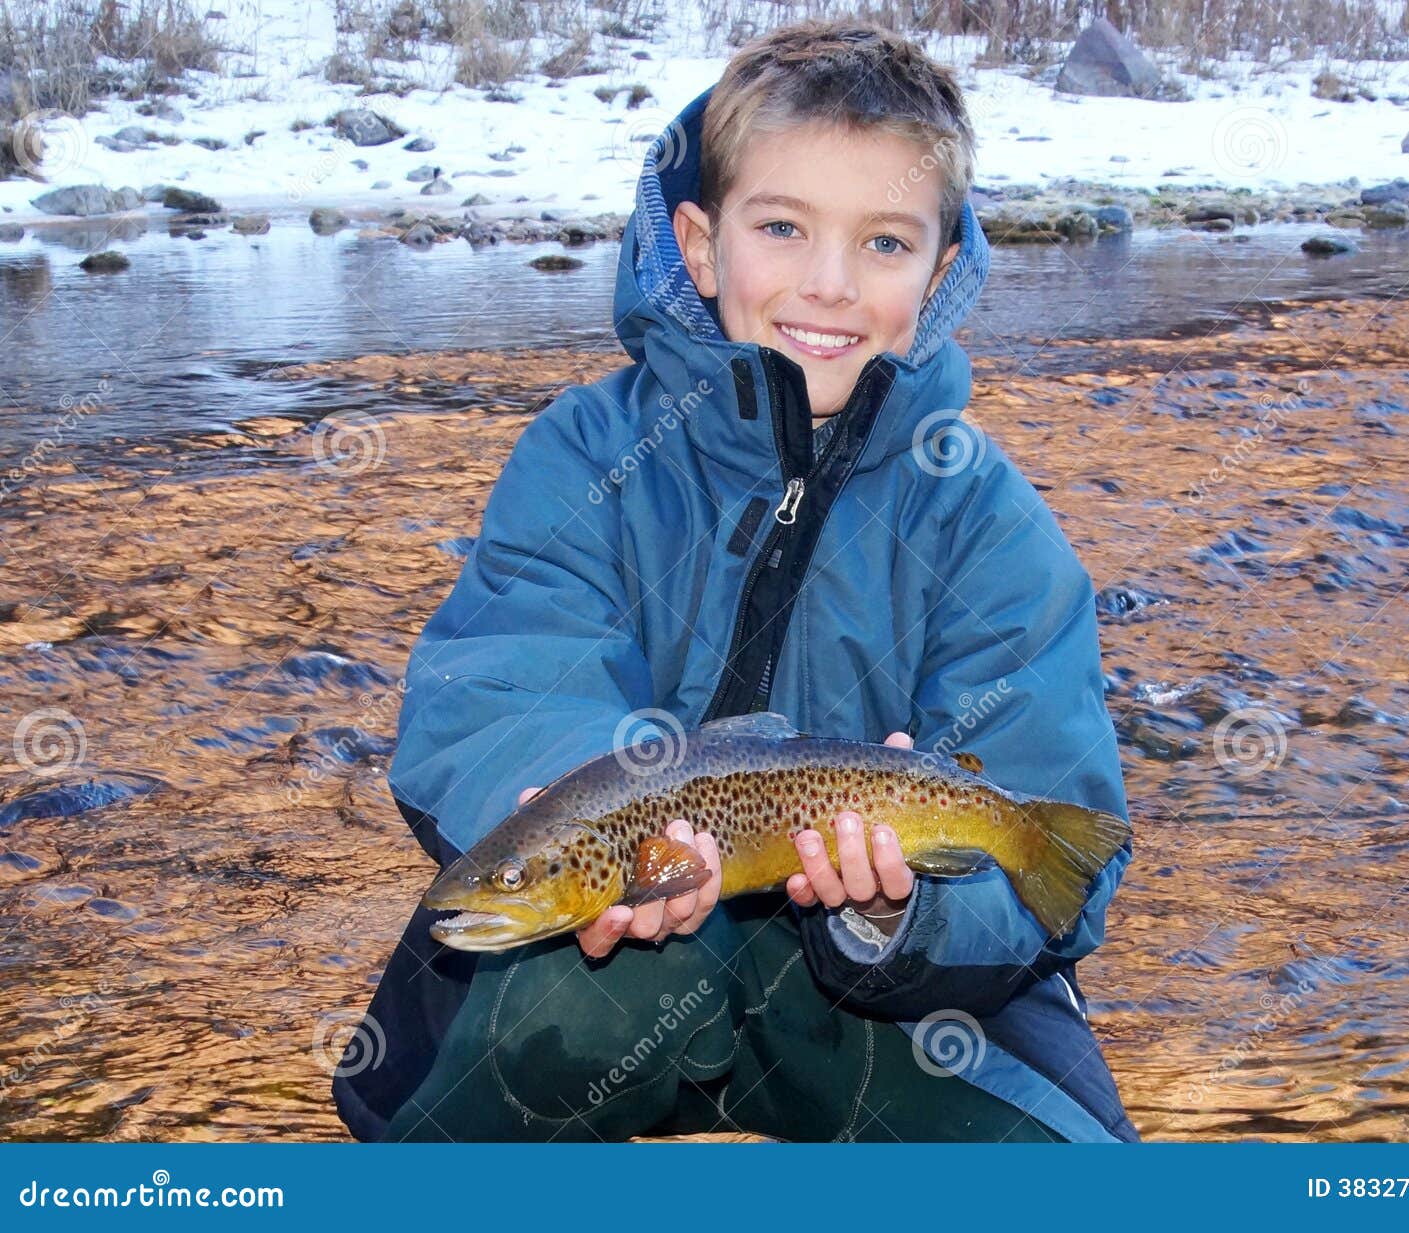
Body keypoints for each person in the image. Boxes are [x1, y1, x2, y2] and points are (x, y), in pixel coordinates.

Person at [332, 18, 1136, 1143]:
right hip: (613, 958)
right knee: (541, 1016)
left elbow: (1053, 835)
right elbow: (496, 686)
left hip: (883, 995)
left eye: (884, 245)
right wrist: (571, 798)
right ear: (700, 247)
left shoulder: (989, 524)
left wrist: (905, 912)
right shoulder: (583, 457)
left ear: (942, 274)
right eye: (781, 228)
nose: (829, 285)